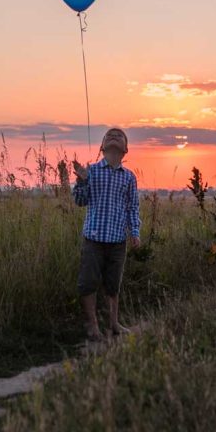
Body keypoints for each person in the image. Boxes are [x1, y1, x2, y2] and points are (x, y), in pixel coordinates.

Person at [72, 127, 141, 341]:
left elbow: (132, 207)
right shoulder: (91, 171)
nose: (114, 136)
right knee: (88, 282)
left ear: (125, 150)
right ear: (102, 147)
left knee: (113, 283)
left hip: (118, 240)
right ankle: (92, 326)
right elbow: (80, 201)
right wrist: (82, 181)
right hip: (94, 239)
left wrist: (135, 232)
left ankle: (114, 324)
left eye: (119, 136)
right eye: (109, 135)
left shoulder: (129, 177)